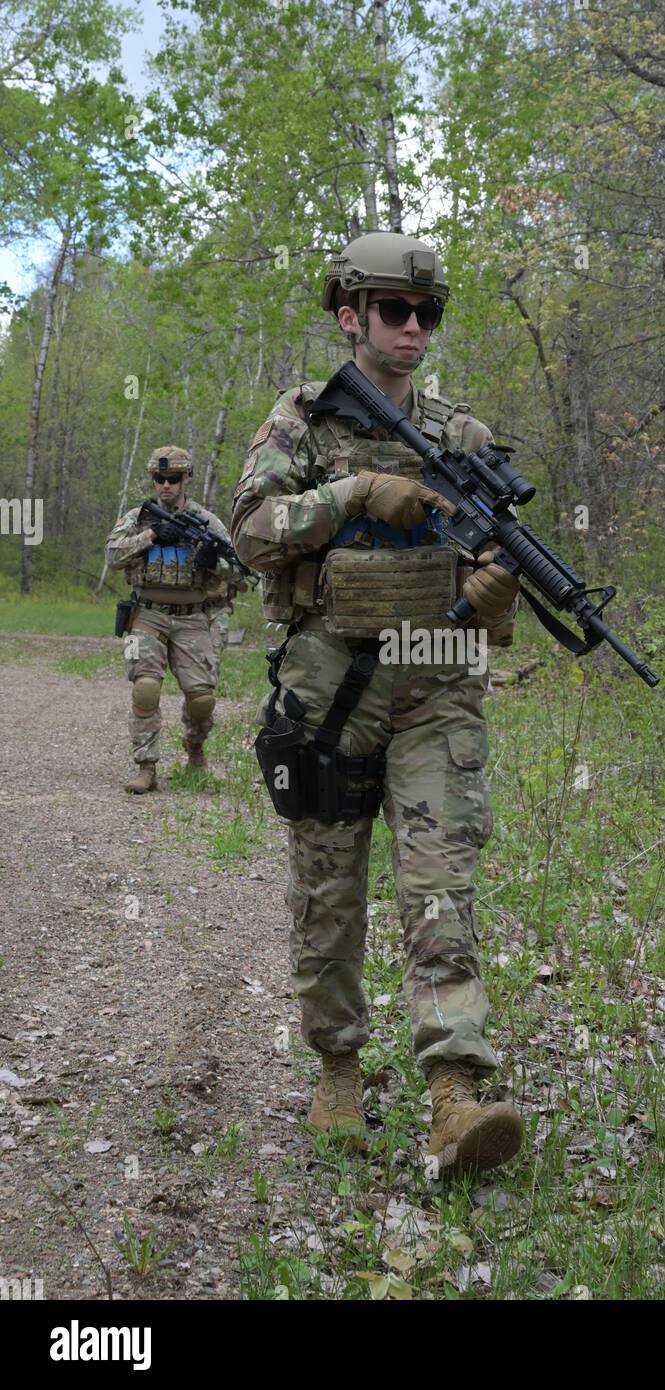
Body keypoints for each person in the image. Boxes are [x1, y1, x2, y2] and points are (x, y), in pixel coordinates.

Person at [230, 231, 523, 1176]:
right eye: (393, 310)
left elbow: (498, 570)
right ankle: (337, 1067)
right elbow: (250, 534)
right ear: (349, 315)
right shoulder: (301, 424)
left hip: (435, 687)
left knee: (441, 887)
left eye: (426, 312)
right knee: (330, 891)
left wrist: (495, 596)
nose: (412, 328)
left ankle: (454, 1092)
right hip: (329, 686)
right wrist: (356, 490)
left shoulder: (461, 438)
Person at [105, 446, 238, 792]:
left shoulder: (207, 521)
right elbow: (112, 554)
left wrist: (210, 559)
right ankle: (146, 767)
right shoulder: (139, 518)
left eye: (173, 479)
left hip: (193, 617)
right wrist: (149, 537)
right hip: (148, 613)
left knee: (202, 698)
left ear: (186, 479)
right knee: (146, 688)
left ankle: (195, 747)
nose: (166, 485)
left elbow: (235, 569)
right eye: (159, 479)